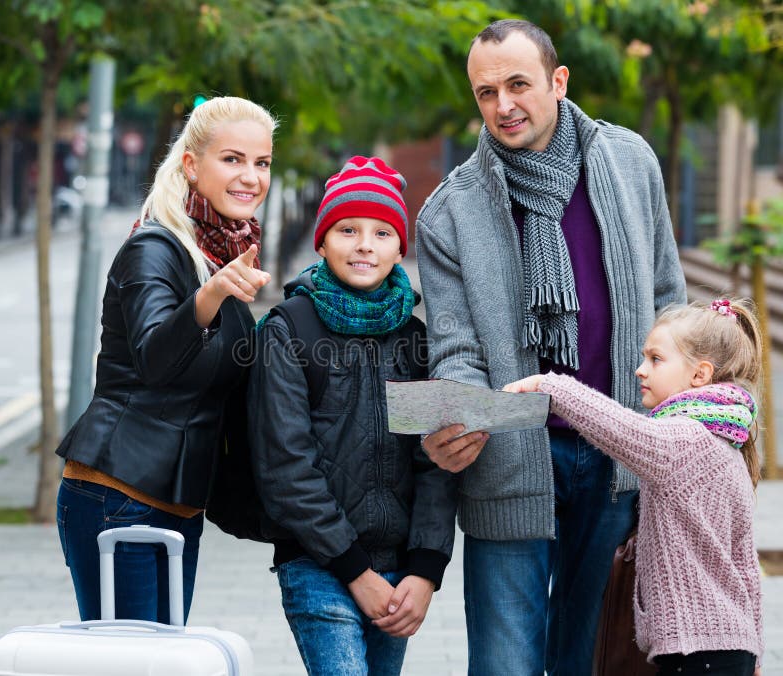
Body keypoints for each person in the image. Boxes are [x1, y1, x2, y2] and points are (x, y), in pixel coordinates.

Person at [415, 18, 687, 675]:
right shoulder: (449, 211)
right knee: (507, 664)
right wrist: (451, 416)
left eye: (518, 84)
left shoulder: (630, 162)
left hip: (620, 453)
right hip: (510, 459)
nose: (503, 105)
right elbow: (453, 346)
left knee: (593, 660)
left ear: (558, 81)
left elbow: (669, 302)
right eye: (486, 92)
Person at [55, 96, 274, 623]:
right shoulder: (156, 248)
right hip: (118, 496)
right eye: (233, 159)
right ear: (192, 165)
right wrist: (210, 295)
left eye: (262, 162)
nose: (251, 176)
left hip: (177, 504)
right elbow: (156, 357)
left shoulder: (222, 253)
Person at [248, 156, 457, 675]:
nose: (365, 244)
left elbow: (435, 462)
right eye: (347, 229)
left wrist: (426, 570)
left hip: (400, 573)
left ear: (399, 248)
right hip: (318, 563)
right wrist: (355, 570)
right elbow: (285, 466)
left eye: (383, 232)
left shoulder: (415, 339)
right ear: (321, 242)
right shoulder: (289, 331)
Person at [504, 298, 764, 676]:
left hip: (697, 653)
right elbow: (747, 566)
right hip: (728, 648)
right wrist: (755, 654)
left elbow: (621, 430)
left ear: (699, 374)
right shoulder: (727, 443)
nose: (640, 370)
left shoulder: (685, 440)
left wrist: (551, 386)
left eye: (656, 359)